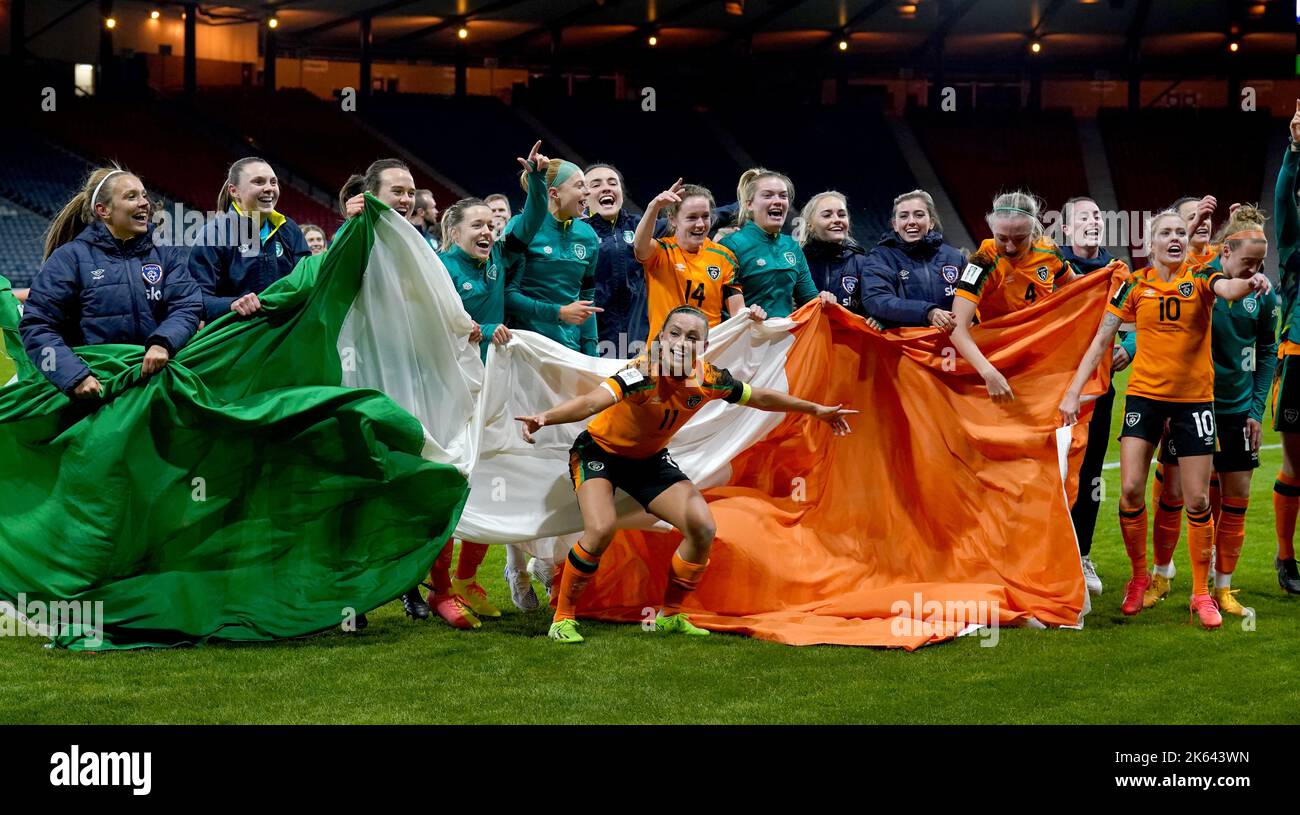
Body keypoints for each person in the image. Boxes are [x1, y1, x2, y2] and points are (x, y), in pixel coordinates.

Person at [515, 305, 857, 644]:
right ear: (661, 338)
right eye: (674, 333)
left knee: (702, 527)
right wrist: (546, 417)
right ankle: (562, 618)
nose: (681, 342)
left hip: (648, 462)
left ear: (703, 347)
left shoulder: (709, 379)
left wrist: (815, 410)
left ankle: (670, 615)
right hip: (599, 454)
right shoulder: (641, 373)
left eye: (692, 337)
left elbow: (760, 398)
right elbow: (592, 403)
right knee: (600, 529)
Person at [1059, 210, 1272, 629]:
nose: (1175, 238)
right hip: (1144, 399)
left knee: (1196, 500)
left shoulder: (1201, 278)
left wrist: (1251, 282)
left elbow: (1229, 287)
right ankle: (1139, 579)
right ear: (1149, 242)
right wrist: (1072, 390)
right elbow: (1103, 337)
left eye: (1181, 231)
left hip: (1195, 403)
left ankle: (1200, 593)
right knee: (1132, 491)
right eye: (1167, 232)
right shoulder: (1134, 284)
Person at [428, 142, 552, 626]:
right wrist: (475, 330)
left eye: (490, 224)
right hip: (448, 390)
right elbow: (429, 324)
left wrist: (537, 181)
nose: (488, 230)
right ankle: (439, 590)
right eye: (477, 225)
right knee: (452, 486)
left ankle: (466, 580)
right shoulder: (439, 269)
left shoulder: (499, 257)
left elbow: (532, 218)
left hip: (493, 389)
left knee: (488, 481)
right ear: (452, 231)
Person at [1143, 206, 1275, 616]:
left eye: (1260, 263)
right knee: (1176, 493)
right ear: (1224, 252)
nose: (1255, 270)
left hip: (1237, 409)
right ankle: (1161, 575)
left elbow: (1268, 351)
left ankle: (1223, 589)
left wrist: (1256, 409)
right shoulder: (1199, 279)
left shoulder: (1264, 297)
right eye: (1248, 263)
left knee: (1236, 497)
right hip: (1189, 403)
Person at [20, 167, 201, 396]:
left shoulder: (166, 254)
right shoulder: (70, 258)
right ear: (103, 210)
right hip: (96, 388)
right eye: (131, 196)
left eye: (144, 194)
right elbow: (37, 326)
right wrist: (74, 376)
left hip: (157, 383)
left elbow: (187, 306)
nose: (145, 202)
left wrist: (163, 343)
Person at [1057, 195, 1133, 596]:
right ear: (1066, 229)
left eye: (1097, 216)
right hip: (1051, 391)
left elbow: (1143, 314)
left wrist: (1131, 345)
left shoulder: (1116, 272)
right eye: (1082, 216)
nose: (1092, 221)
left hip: (1098, 393)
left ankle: (1082, 555)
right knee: (1052, 474)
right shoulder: (1050, 269)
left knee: (1090, 476)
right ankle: (1051, 555)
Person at [951, 190, 1080, 402]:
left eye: (1020, 239)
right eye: (1002, 238)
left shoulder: (1048, 250)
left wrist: (1104, 280)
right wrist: (988, 372)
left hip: (1044, 356)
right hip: (1001, 360)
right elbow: (957, 327)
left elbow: (1075, 289)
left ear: (1033, 230)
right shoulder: (982, 262)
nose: (1010, 248)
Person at [634, 179, 761, 343]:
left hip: (707, 353)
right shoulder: (660, 252)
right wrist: (654, 207)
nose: (700, 224)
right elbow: (639, 246)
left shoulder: (724, 257)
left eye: (705, 216)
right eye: (692, 218)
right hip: (664, 354)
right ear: (672, 219)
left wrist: (751, 314)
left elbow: (738, 312)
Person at [188, 157, 311, 322]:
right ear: (234, 191)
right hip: (236, 339)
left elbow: (309, 281)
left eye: (273, 182)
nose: (269, 188)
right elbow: (196, 299)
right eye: (259, 182)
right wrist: (231, 304)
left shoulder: (289, 230)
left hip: (284, 336)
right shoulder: (213, 234)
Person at [504, 159, 601, 356]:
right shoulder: (520, 228)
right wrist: (560, 312)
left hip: (570, 351)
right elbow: (506, 295)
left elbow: (586, 301)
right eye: (579, 185)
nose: (588, 192)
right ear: (554, 193)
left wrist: (592, 357)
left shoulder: (588, 235)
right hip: (525, 347)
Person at [719, 168, 835, 319]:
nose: (778, 201)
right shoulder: (730, 246)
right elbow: (717, 305)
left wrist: (824, 300)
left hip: (784, 339)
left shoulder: (792, 247)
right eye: (768, 195)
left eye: (783, 196)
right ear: (749, 205)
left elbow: (809, 301)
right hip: (742, 338)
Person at [859, 189, 964, 330]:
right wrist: (927, 312)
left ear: (931, 222)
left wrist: (972, 319)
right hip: (907, 346)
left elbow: (974, 299)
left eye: (919, 215)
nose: (911, 222)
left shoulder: (954, 257)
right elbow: (877, 299)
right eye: (903, 216)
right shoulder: (880, 258)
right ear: (895, 225)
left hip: (952, 343)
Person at [1270, 100, 1300, 595]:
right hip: (1297, 358)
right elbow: (1282, 202)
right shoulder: (1295, 247)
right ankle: (1285, 558)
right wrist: (1294, 150)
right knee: (1296, 464)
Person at [584, 163, 648, 358]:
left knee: (639, 386)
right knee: (602, 388)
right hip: (594, 341)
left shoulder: (640, 226)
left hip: (640, 341)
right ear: (583, 197)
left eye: (613, 183)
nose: (606, 187)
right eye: (595, 185)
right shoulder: (576, 233)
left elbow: (685, 221)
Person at [799, 191, 871, 316]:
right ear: (810, 225)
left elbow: (874, 304)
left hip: (849, 335)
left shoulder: (863, 263)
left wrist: (878, 319)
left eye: (842, 215)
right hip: (810, 334)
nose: (837, 220)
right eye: (827, 215)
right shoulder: (798, 261)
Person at [1176, 195, 1220, 266]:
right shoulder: (1169, 261)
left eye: (1206, 216)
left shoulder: (1222, 255)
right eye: (1193, 217)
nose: (1202, 221)